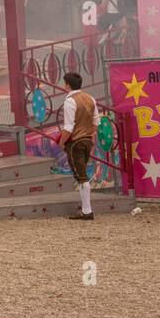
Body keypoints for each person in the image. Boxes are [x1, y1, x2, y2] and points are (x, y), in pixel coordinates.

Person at [57, 73, 99, 221]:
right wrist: (88, 134)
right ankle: (86, 209)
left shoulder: (69, 101)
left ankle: (87, 211)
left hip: (75, 141)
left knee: (81, 176)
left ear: (67, 84)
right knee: (82, 175)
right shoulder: (91, 99)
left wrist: (61, 142)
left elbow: (68, 128)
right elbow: (96, 124)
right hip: (88, 140)